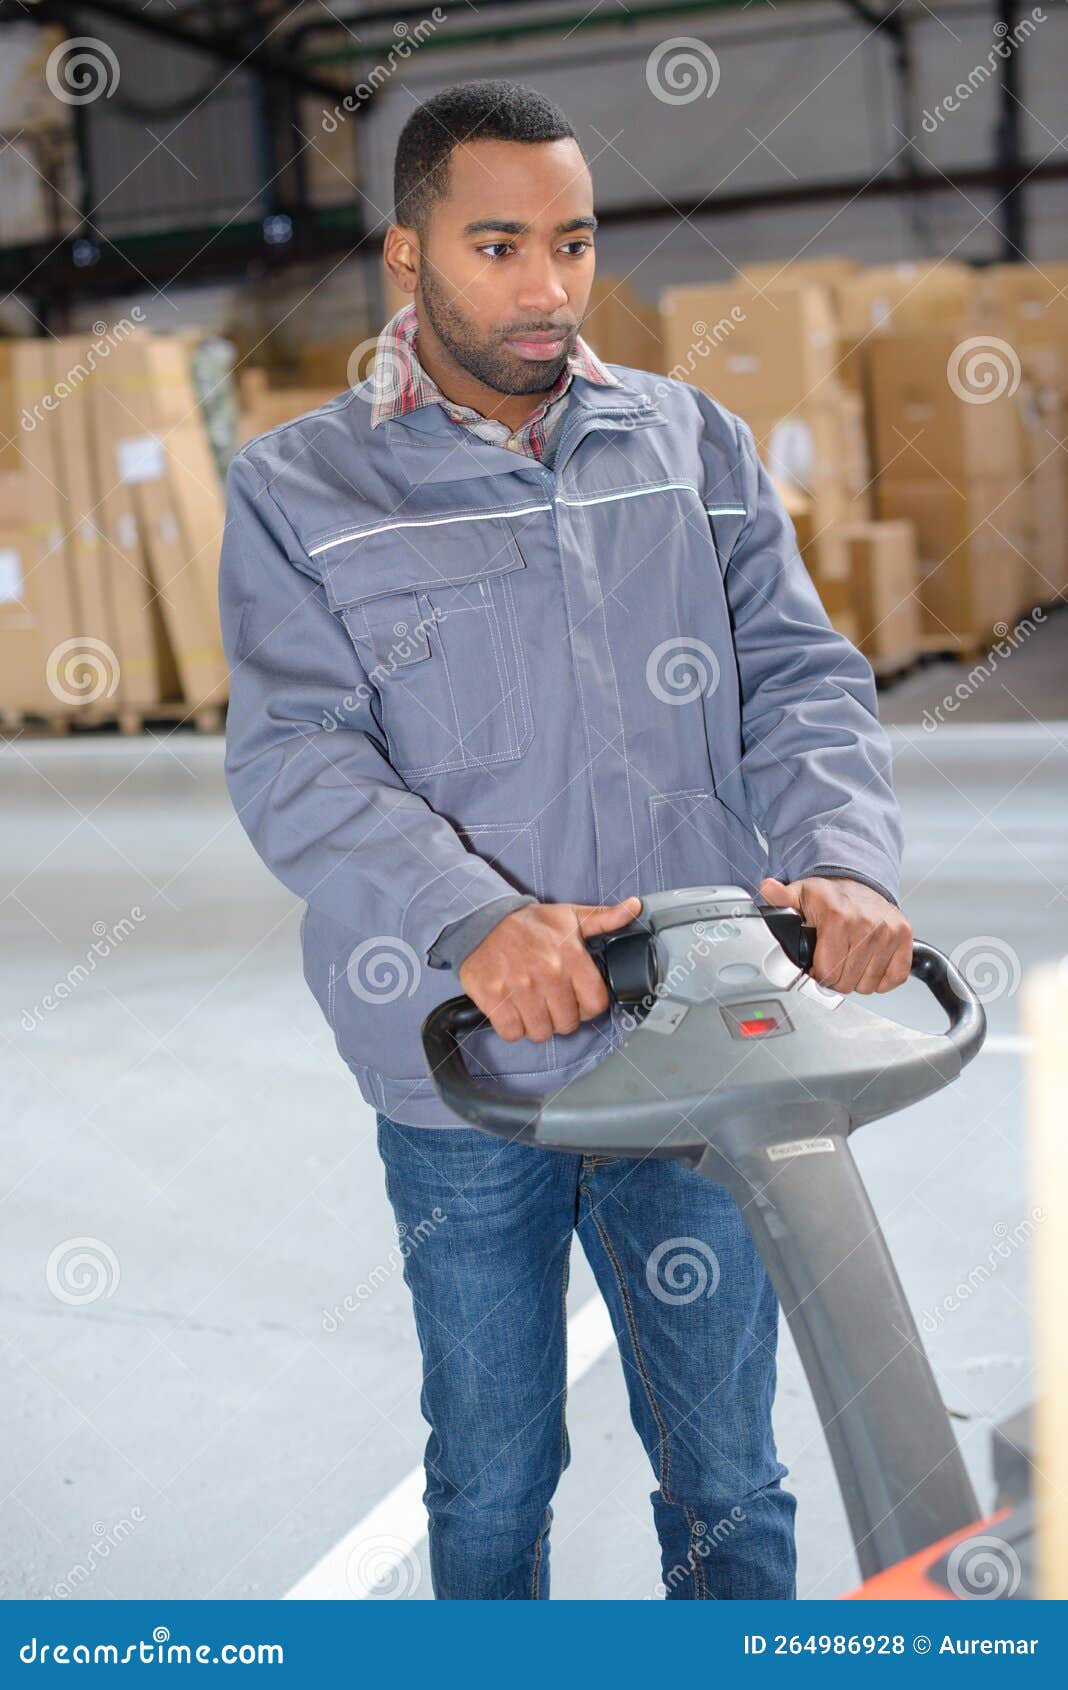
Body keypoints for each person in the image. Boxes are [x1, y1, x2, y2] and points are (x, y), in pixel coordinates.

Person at [219, 78, 912, 1600]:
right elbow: (296, 753)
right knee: (491, 1471)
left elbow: (800, 678)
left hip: (702, 1042)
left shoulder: (690, 443)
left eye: (576, 243)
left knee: (731, 1474)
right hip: (467, 1071)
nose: (549, 289)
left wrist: (847, 857)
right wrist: (473, 915)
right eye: (499, 245)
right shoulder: (300, 488)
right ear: (408, 258)